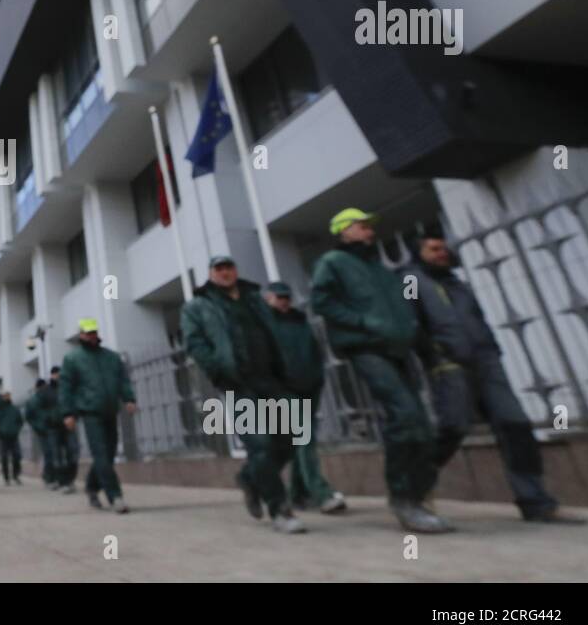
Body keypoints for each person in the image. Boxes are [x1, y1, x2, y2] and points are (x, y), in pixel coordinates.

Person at [405, 232, 585, 525]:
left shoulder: (458, 283)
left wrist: (491, 348)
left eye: (443, 248)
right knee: (453, 426)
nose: (442, 253)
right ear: (419, 253)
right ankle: (414, 486)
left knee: (515, 424)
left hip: (486, 361)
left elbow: (478, 319)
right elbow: (409, 319)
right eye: (434, 249)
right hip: (448, 363)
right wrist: (433, 353)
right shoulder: (410, 280)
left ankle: (536, 501)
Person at [310, 208, 449, 533]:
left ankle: (416, 494)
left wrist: (412, 329)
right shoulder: (333, 262)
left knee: (421, 423)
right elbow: (322, 301)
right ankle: (404, 499)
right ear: (343, 230)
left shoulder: (379, 267)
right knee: (405, 416)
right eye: (361, 226)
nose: (369, 231)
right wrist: (364, 322)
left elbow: (400, 302)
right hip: (366, 348)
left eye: (368, 226)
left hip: (397, 348)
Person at [182, 258, 306, 534]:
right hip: (238, 384)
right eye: (219, 269)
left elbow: (274, 331)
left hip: (270, 380)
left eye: (229, 268)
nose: (225, 273)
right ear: (211, 274)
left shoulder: (254, 298)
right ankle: (280, 509)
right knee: (260, 445)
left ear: (236, 271)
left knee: (289, 439)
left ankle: (250, 478)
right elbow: (195, 343)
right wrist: (217, 370)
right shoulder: (198, 306)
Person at [263, 281, 346, 515]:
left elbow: (314, 351)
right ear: (268, 299)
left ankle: (298, 495)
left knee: (301, 441)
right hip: (284, 390)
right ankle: (322, 494)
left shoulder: (300, 321)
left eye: (286, 297)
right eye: (278, 297)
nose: (284, 301)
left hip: (310, 386)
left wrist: (317, 377)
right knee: (305, 437)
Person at [59, 318, 137, 514]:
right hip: (90, 412)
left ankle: (91, 487)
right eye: (87, 333)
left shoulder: (111, 357)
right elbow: (66, 389)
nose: (91, 336)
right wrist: (68, 413)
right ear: (81, 335)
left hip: (110, 410)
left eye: (93, 332)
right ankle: (115, 497)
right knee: (101, 454)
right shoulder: (72, 359)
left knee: (108, 455)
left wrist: (129, 398)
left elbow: (123, 380)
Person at [43, 366, 79, 493]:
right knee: (57, 457)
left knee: (73, 453)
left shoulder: (68, 388)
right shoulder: (45, 391)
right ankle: (63, 482)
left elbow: (76, 403)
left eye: (59, 373)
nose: (58, 376)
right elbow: (39, 409)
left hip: (68, 426)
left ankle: (70, 480)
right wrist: (46, 421)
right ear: (52, 375)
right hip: (53, 428)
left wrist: (74, 417)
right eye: (55, 374)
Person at [24, 379, 56, 487]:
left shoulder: (49, 397)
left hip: (52, 428)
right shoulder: (32, 401)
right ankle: (48, 477)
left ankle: (51, 476)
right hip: (42, 431)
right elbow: (28, 417)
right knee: (49, 453)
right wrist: (37, 426)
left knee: (52, 453)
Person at [0, 391, 24, 485]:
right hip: (3, 438)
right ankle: (6, 478)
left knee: (16, 456)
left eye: (8, 396)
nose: (6, 397)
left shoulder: (14, 409)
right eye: (5, 396)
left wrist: (16, 430)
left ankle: (16, 475)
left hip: (14, 436)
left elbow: (20, 421)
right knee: (4, 458)